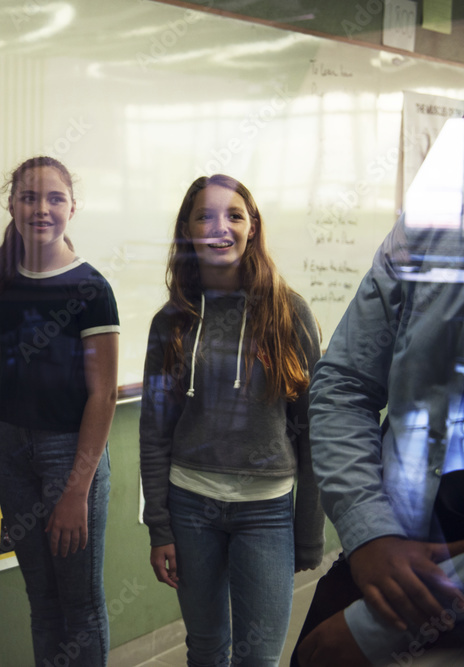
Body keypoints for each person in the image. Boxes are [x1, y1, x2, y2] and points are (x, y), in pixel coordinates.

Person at [139, 174, 325, 666]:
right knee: (205, 649)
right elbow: (154, 432)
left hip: (266, 511)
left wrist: (309, 530)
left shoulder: (289, 313)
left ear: (252, 227)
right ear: (187, 229)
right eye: (205, 216)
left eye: (234, 215)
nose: (220, 227)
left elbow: (313, 431)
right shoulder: (171, 321)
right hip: (189, 506)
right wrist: (159, 528)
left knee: (258, 657)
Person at [294, 209, 464, 666]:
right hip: (391, 536)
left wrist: (377, 630)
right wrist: (369, 533)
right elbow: (345, 383)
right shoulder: (432, 219)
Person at [0, 156, 120, 666]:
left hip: (70, 456)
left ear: (72, 208)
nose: (42, 208)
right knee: (42, 602)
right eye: (29, 197)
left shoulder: (91, 288)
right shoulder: (7, 282)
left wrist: (77, 490)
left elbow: (103, 395)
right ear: (12, 205)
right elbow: (23, 361)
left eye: (55, 198)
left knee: (80, 606)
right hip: (14, 451)